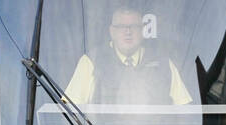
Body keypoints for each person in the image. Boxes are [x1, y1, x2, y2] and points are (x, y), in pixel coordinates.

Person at [65, 6, 193, 106]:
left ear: (143, 30)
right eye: (121, 27)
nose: (128, 32)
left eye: (134, 26)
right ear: (112, 31)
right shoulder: (91, 62)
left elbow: (185, 111)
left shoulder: (163, 63)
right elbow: (69, 110)